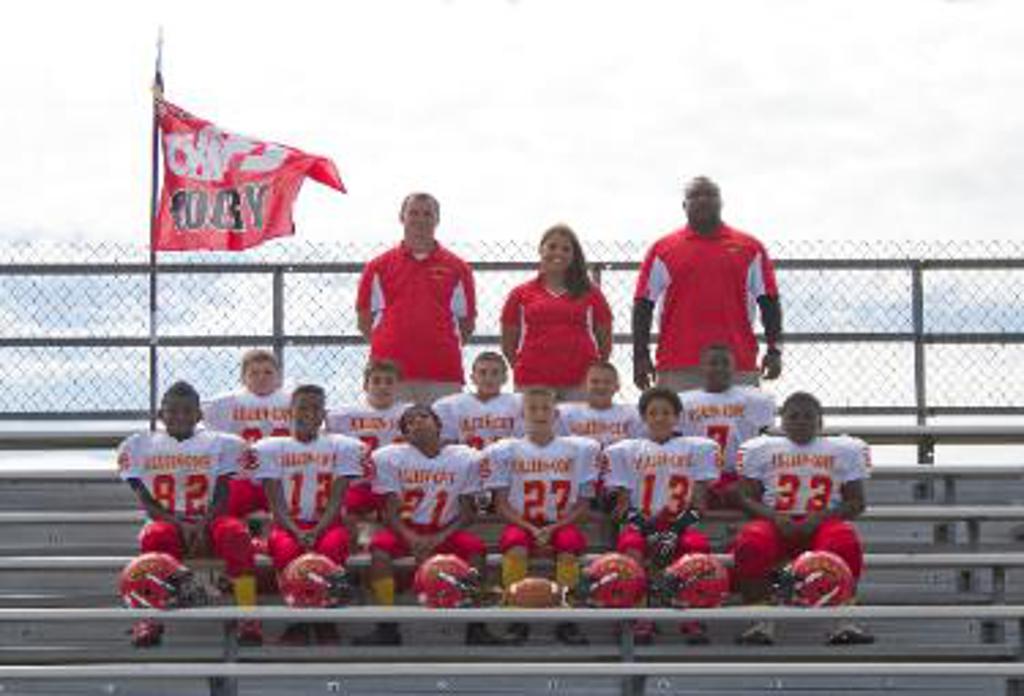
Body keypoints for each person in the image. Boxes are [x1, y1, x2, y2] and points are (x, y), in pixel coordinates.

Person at [118, 382, 260, 647]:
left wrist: (201, 524)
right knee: (155, 537)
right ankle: (150, 618)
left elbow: (222, 493)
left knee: (236, 533)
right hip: (167, 520)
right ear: (161, 416)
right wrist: (178, 523)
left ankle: (248, 614)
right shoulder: (138, 445)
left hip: (210, 518)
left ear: (199, 416)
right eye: (173, 411)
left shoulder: (220, 444)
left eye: (187, 411)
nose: (180, 416)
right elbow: (145, 499)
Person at [353, 405, 501, 647]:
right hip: (406, 528)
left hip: (446, 528)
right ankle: (386, 624)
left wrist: (438, 537)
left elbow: (467, 513)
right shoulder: (390, 457)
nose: (417, 423)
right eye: (409, 422)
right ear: (404, 434)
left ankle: (476, 625)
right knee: (379, 550)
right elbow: (389, 513)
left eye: (423, 417)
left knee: (476, 549)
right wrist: (411, 537)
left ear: (439, 425)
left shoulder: (464, 457)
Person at [733, 391, 873, 646]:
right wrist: (774, 517)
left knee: (844, 539)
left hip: (822, 523)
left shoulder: (844, 450)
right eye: (793, 416)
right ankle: (760, 619)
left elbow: (857, 502)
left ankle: (842, 620)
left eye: (809, 416)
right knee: (751, 540)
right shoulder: (761, 449)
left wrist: (820, 518)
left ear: (820, 423)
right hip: (776, 523)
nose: (801, 421)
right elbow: (745, 497)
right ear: (782, 421)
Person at [632, 177, 783, 392]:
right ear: (684, 205)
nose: (703, 199)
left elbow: (769, 301)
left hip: (736, 363)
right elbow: (643, 305)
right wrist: (640, 356)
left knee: (742, 426)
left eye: (710, 194)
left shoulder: (750, 247)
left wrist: (775, 351)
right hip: (678, 364)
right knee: (676, 426)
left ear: (721, 202)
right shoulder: (661, 249)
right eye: (695, 195)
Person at [483, 387, 602, 646]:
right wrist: (531, 527)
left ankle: (567, 615)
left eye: (545, 408)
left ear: (556, 413)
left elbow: (583, 503)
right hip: (522, 521)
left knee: (569, 547)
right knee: (515, 546)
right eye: (533, 408)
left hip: (562, 522)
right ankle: (516, 613)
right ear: (522, 413)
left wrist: (554, 526)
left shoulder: (578, 449)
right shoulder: (506, 450)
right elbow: (501, 503)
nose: (539, 413)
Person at [605, 386, 719, 643]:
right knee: (632, 550)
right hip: (639, 524)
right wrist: (651, 531)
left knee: (696, 550)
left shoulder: (697, 448)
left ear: (677, 416)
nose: (660, 418)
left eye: (666, 412)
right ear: (644, 417)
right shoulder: (626, 450)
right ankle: (639, 616)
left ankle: (691, 616)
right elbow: (622, 506)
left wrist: (674, 531)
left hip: (682, 524)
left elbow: (700, 505)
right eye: (653, 412)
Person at [253, 385, 365, 645]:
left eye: (315, 408)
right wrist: (295, 530)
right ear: (289, 412)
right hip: (287, 523)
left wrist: (317, 529)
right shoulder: (270, 448)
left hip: (328, 522)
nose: (308, 413)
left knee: (332, 546)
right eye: (303, 406)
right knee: (286, 550)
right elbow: (275, 500)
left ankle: (325, 621)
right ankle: (300, 620)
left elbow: (338, 498)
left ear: (323, 414)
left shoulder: (341, 446)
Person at [355, 192, 475, 405]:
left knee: (443, 436)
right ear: (402, 217)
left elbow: (466, 323)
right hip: (390, 375)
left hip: (442, 373)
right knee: (392, 438)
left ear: (437, 219)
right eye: (414, 213)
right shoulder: (378, 266)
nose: (420, 219)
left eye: (428, 213)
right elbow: (365, 320)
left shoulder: (458, 268)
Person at [501, 224, 612, 402]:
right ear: (540, 249)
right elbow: (508, 344)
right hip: (533, 383)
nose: (558, 253)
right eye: (552, 247)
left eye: (566, 249)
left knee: (577, 430)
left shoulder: (590, 293)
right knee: (535, 430)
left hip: (580, 382)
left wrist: (593, 374)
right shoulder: (520, 294)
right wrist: (525, 369)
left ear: (573, 255)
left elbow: (605, 339)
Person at [677, 344, 776, 508]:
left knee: (748, 487)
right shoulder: (684, 401)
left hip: (737, 475)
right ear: (701, 367)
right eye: (713, 363)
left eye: (725, 363)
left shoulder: (753, 398)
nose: (719, 368)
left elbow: (764, 439)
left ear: (734, 367)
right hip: (699, 474)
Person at [202, 349, 292, 519]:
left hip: (281, 478)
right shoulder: (225, 403)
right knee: (226, 513)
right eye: (254, 373)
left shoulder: (293, 402)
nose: (261, 377)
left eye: (268, 372)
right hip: (242, 477)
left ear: (279, 376)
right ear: (243, 378)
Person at [326, 359, 411, 520]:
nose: (382, 386)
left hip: (398, 484)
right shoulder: (344, 415)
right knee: (345, 508)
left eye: (389, 382)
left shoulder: (409, 413)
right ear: (365, 386)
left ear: (398, 386)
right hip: (362, 483)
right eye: (376, 381)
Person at [433, 351, 524, 450]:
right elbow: (443, 444)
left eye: (495, 373)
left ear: (505, 378)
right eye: (482, 372)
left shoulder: (520, 403)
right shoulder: (449, 405)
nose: (488, 378)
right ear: (473, 378)